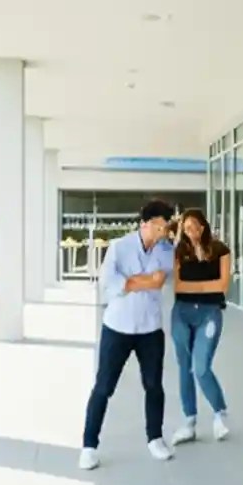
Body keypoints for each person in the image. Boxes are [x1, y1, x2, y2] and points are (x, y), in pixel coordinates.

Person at [79, 200, 177, 470]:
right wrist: (143, 282)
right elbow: (110, 283)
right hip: (117, 328)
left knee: (154, 386)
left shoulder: (167, 251)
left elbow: (162, 280)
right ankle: (89, 446)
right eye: (159, 225)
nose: (162, 231)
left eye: (166, 226)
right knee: (103, 387)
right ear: (144, 223)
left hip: (150, 330)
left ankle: (155, 438)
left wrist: (134, 281)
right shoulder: (119, 247)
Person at [168, 208, 233, 445]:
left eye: (193, 226)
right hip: (182, 314)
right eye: (185, 228)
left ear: (203, 226)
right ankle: (189, 422)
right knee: (184, 367)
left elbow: (223, 285)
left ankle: (219, 414)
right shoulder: (179, 252)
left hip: (210, 314)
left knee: (201, 367)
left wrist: (196, 287)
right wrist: (208, 286)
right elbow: (178, 287)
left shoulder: (220, 250)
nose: (190, 231)